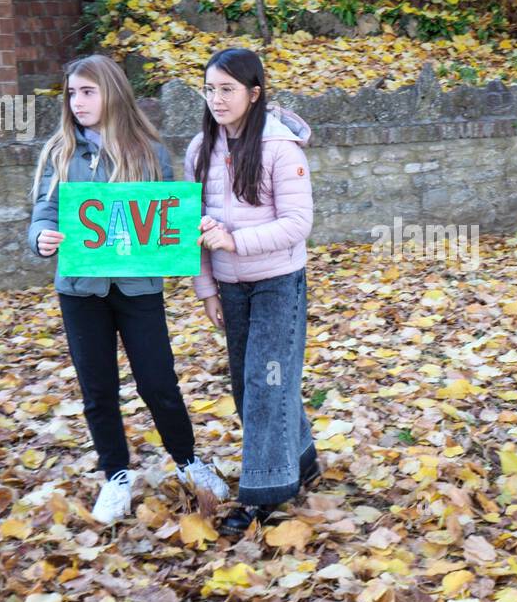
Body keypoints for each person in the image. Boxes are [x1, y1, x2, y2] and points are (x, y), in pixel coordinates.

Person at [27, 54, 228, 524]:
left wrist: (190, 225)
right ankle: (115, 475)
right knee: (97, 387)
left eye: (88, 92)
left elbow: (166, 213)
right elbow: (43, 211)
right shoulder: (58, 151)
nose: (77, 102)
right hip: (80, 290)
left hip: (138, 288)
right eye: (72, 93)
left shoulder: (148, 151)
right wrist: (40, 238)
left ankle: (188, 460)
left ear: (112, 93)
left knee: (158, 381)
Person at [185, 47, 319, 536]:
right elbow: (191, 226)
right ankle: (303, 461)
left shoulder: (281, 149)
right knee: (253, 388)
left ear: (254, 93)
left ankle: (265, 495)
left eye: (227, 89)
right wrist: (207, 289)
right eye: (209, 88)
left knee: (266, 387)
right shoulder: (199, 150)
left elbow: (297, 224)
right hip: (230, 287)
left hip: (278, 284)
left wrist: (235, 241)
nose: (216, 98)